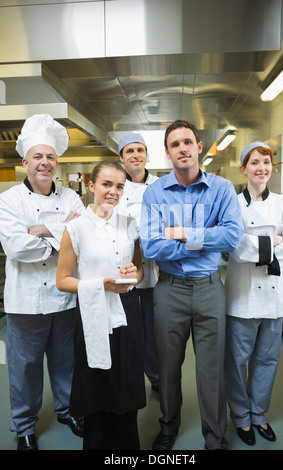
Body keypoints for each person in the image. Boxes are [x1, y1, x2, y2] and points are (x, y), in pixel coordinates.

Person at [140, 119, 244, 450]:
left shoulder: (223, 189)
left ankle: (214, 437)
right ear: (168, 152)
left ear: (199, 147)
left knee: (212, 370)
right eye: (175, 144)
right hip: (169, 289)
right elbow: (152, 247)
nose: (182, 148)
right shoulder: (155, 192)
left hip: (210, 288)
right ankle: (168, 427)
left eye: (188, 142)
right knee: (168, 368)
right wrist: (206, 237)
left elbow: (231, 236)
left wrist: (181, 233)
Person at [0, 114, 85, 450]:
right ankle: (24, 426)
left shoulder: (70, 198)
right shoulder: (8, 200)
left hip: (65, 297)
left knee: (67, 362)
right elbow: (18, 248)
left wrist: (42, 229)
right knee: (25, 368)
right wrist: (63, 230)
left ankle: (67, 410)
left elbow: (83, 237)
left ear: (56, 162)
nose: (45, 163)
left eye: (50, 156)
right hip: (26, 301)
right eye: (38, 156)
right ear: (25, 162)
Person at [56, 161, 146, 450]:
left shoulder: (130, 224)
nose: (113, 192)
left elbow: (140, 270)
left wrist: (134, 276)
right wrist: (99, 286)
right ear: (91, 186)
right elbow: (63, 280)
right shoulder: (76, 227)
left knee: (126, 383)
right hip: (93, 314)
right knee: (96, 386)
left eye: (119, 186)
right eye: (107, 184)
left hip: (128, 311)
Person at [224, 141, 283, 446]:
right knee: (236, 359)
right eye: (255, 162)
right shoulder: (232, 204)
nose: (262, 168)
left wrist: (258, 244)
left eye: (267, 163)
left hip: (277, 297)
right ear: (244, 168)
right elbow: (236, 247)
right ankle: (241, 416)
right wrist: (274, 240)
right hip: (243, 296)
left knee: (267, 358)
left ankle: (258, 413)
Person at [117, 132, 159, 393]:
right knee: (129, 333)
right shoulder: (116, 185)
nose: (136, 155)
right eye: (129, 151)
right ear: (121, 157)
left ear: (146, 155)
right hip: (126, 273)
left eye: (140, 150)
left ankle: (156, 378)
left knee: (155, 333)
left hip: (157, 274)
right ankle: (131, 384)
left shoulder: (162, 185)